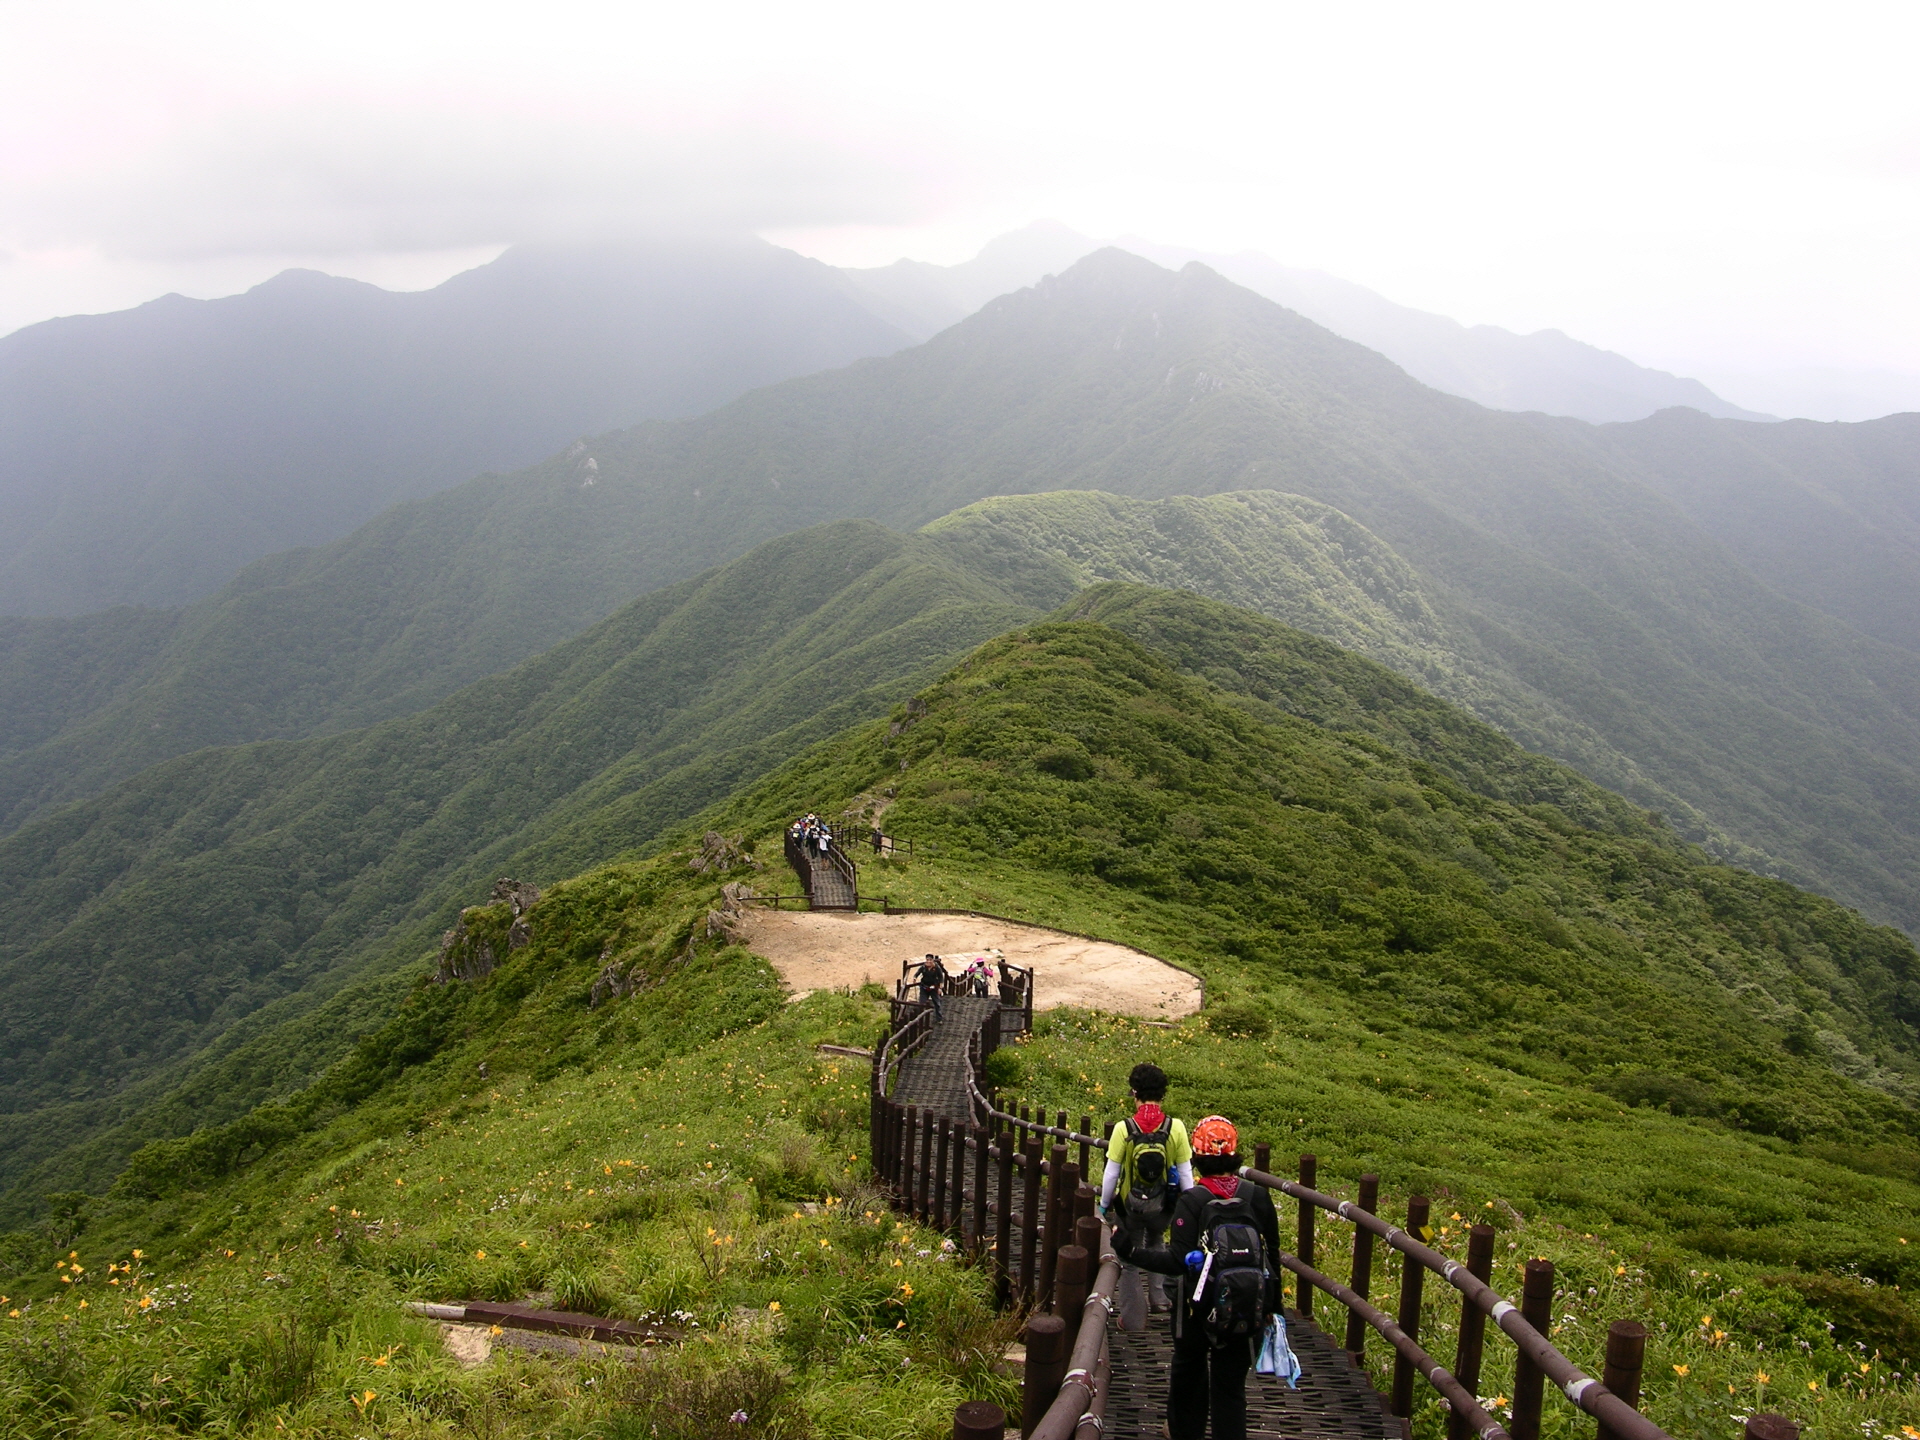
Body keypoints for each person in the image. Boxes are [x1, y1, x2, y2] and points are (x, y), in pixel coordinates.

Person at [1114, 1115, 1283, 1440]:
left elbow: (1177, 1262)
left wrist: (1131, 1253)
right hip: (1245, 1307)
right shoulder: (1257, 1196)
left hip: (1195, 1310)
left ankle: (1182, 1432)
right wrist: (1272, 1308)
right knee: (1231, 1390)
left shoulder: (1193, 1201)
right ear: (1234, 1152)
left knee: (1188, 1378)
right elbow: (1271, 1256)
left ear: (1197, 1154)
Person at [1099, 1063, 1194, 1331]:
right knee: (1157, 1244)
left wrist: (1104, 1206)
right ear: (1163, 1094)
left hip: (1130, 1207)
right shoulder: (1175, 1127)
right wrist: (1190, 1208)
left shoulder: (1123, 1128)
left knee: (1129, 1260)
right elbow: (1186, 1176)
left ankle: (1132, 1319)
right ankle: (1160, 1300)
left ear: (1134, 1092)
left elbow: (1111, 1175)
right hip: (1163, 1207)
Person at [915, 952, 947, 1020]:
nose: (928, 961)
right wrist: (915, 977)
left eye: (930, 960)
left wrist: (940, 987)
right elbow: (918, 973)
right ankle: (921, 1018)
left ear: (932, 960)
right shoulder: (923, 967)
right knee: (922, 1002)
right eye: (927, 960)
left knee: (937, 1003)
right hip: (924, 986)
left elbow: (941, 977)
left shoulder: (937, 968)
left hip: (933, 987)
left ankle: (939, 1018)